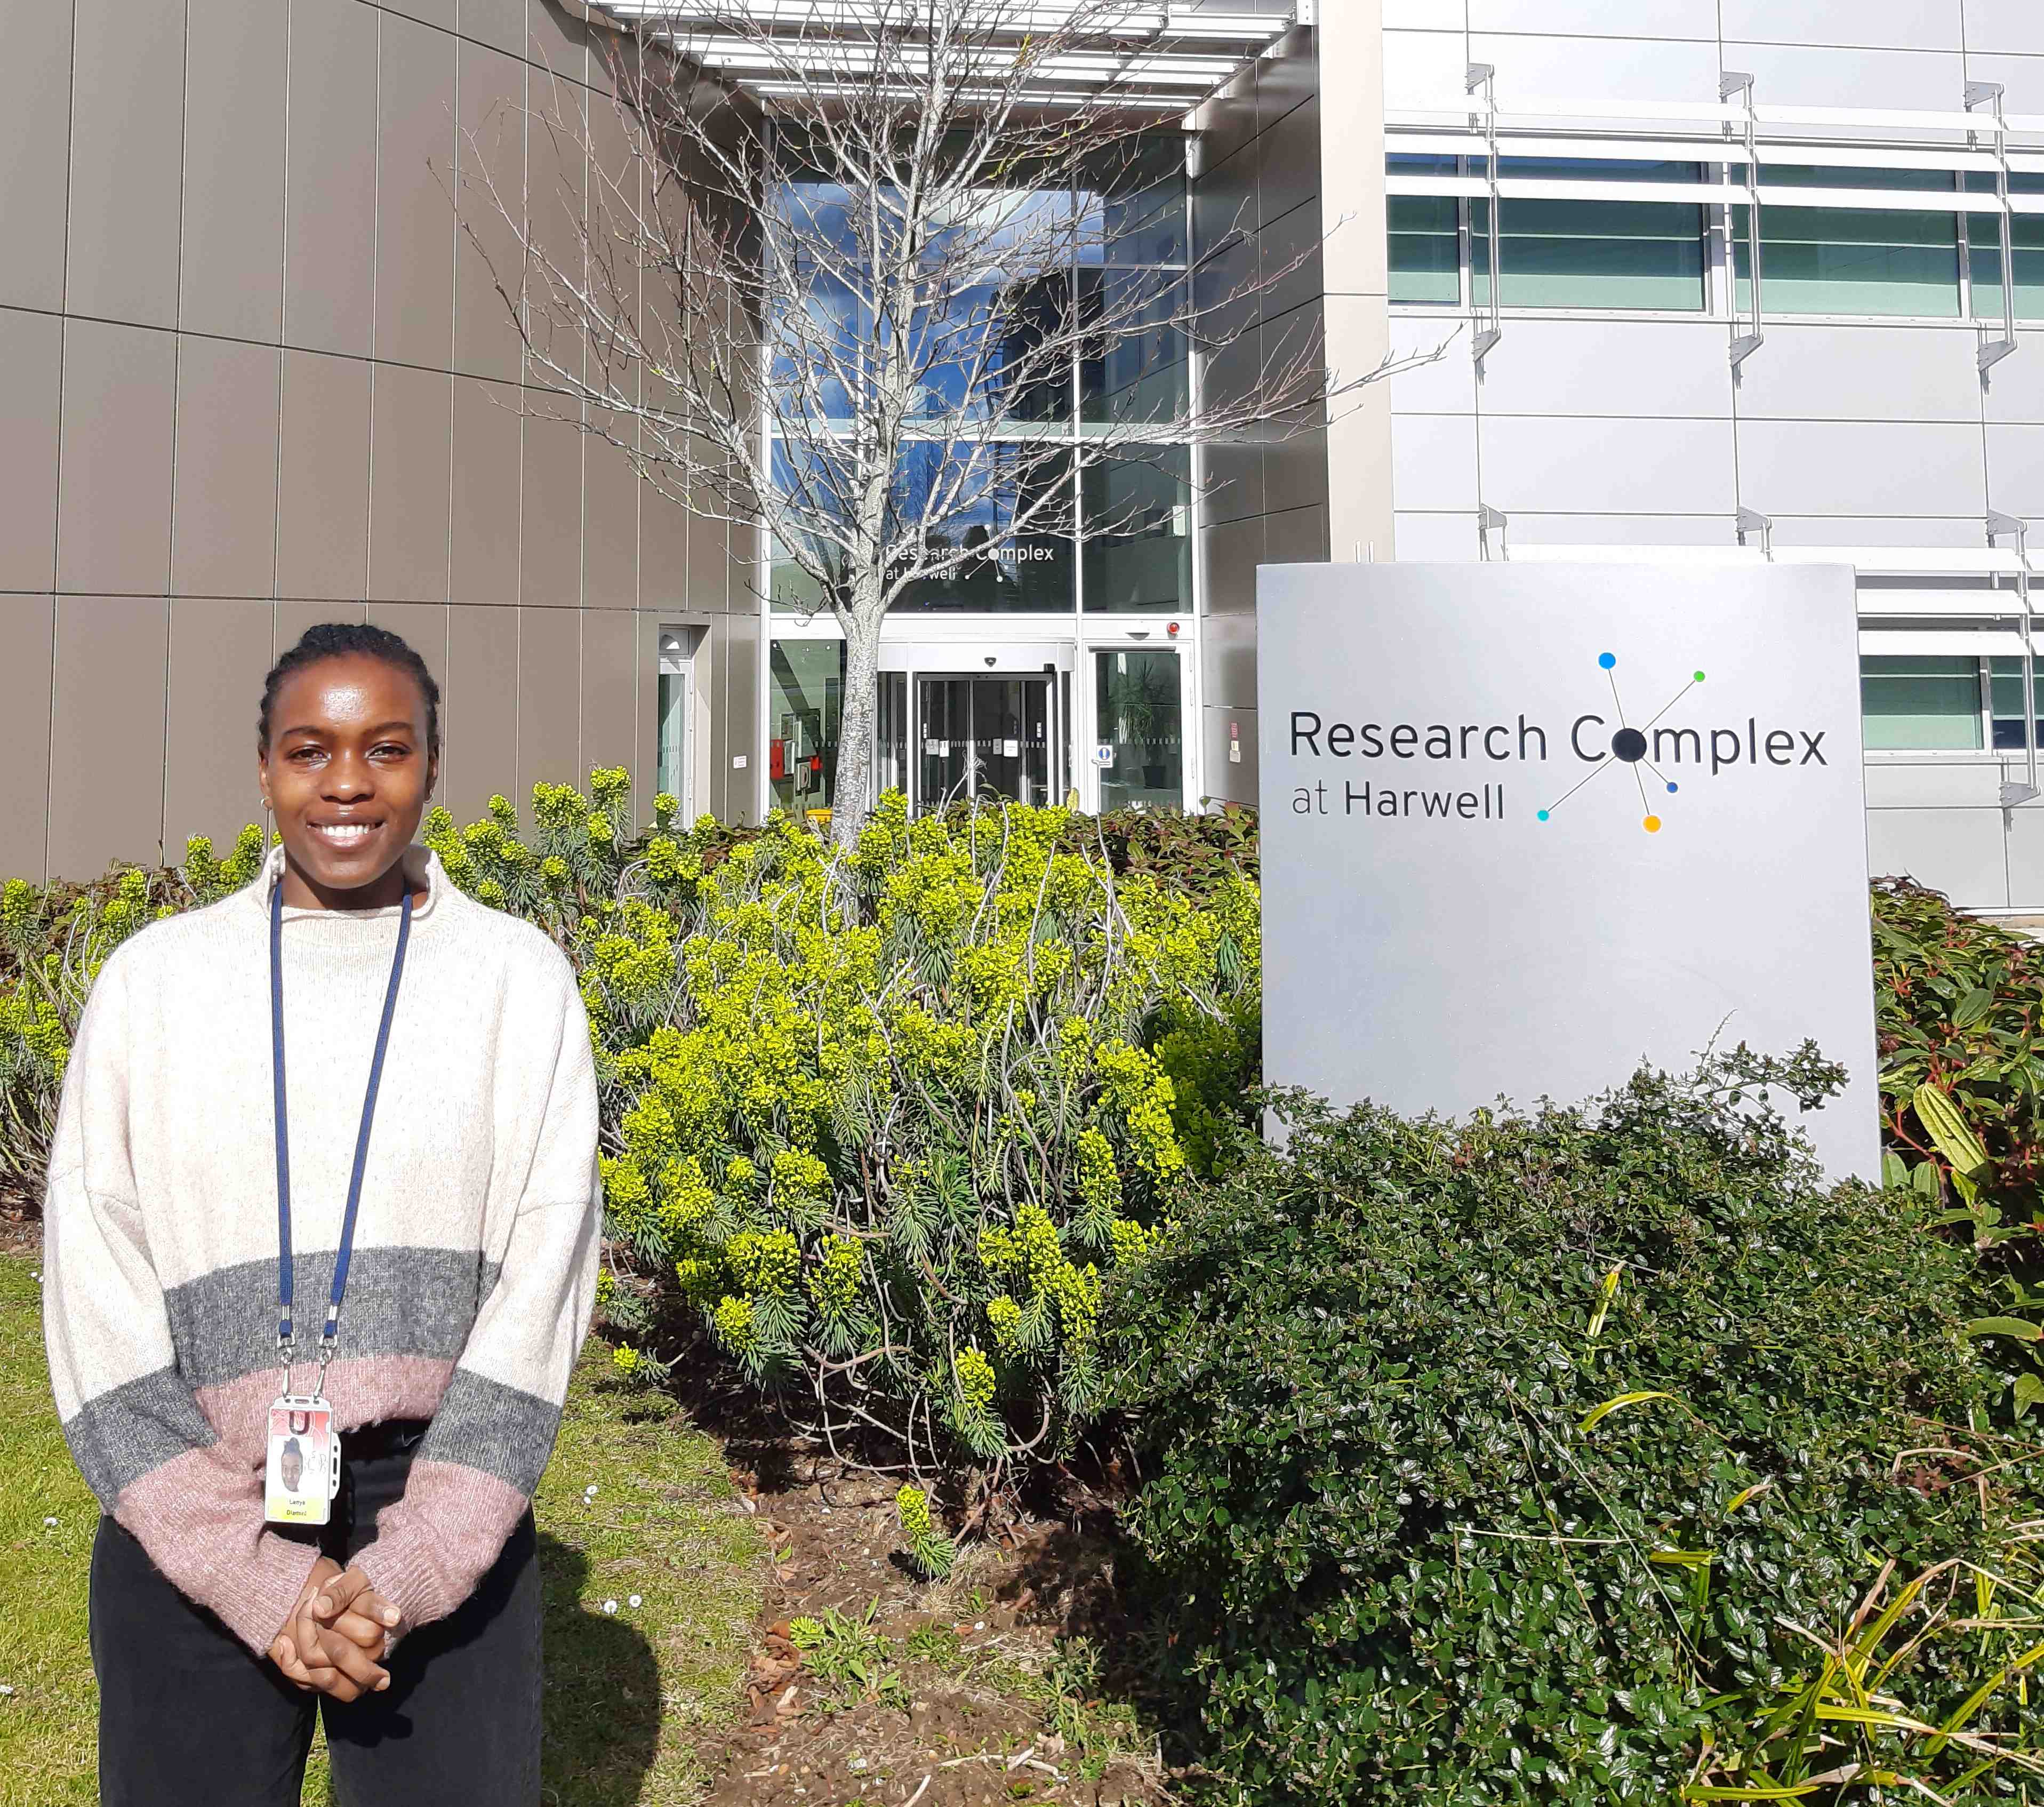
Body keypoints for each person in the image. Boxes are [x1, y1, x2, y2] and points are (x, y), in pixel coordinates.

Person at [41, 622, 603, 1806]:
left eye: (386, 747)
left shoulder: (518, 982)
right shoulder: (154, 984)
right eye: (310, 748)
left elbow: (541, 1285)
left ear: (432, 767)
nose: (347, 782)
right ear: (263, 768)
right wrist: (249, 1572)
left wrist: (411, 1565)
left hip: (442, 1502)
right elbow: (94, 1290)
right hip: (190, 1518)